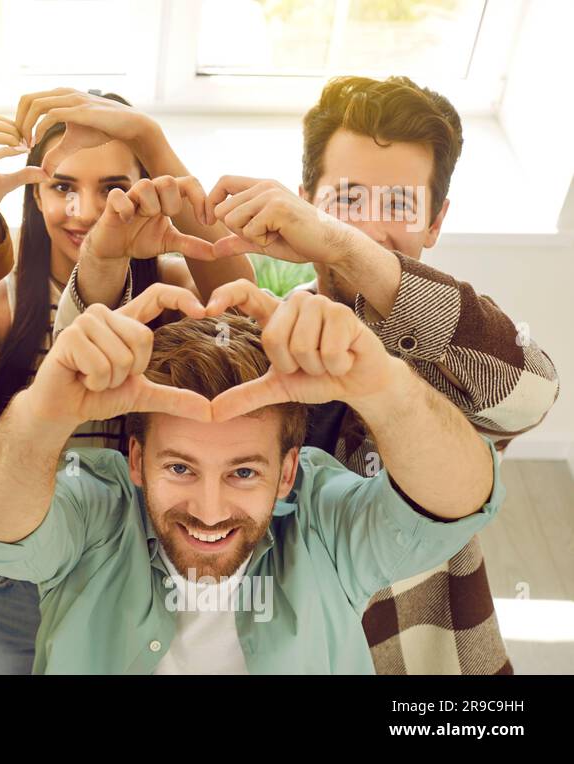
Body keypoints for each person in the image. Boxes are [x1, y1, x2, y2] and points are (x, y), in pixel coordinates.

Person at [63, 75, 560, 674]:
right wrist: (112, 234)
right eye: (346, 200)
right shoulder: (269, 326)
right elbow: (101, 382)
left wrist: (341, 243)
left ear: (436, 221)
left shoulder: (450, 349)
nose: (369, 227)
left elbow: (533, 391)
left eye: (400, 205)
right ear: (306, 198)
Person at [0, 280, 504, 673]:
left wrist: (384, 385)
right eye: (181, 467)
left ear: (288, 473)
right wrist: (44, 410)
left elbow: (453, 508)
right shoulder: (98, 512)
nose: (209, 510)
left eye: (242, 472)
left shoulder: (322, 524)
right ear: (136, 461)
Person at [0, 91, 253, 674]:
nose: (86, 210)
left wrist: (152, 138)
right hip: (16, 569)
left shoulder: (172, 278)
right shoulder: (2, 301)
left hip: (130, 557)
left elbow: (242, 311)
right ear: (35, 191)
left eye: (113, 187)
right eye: (62, 186)